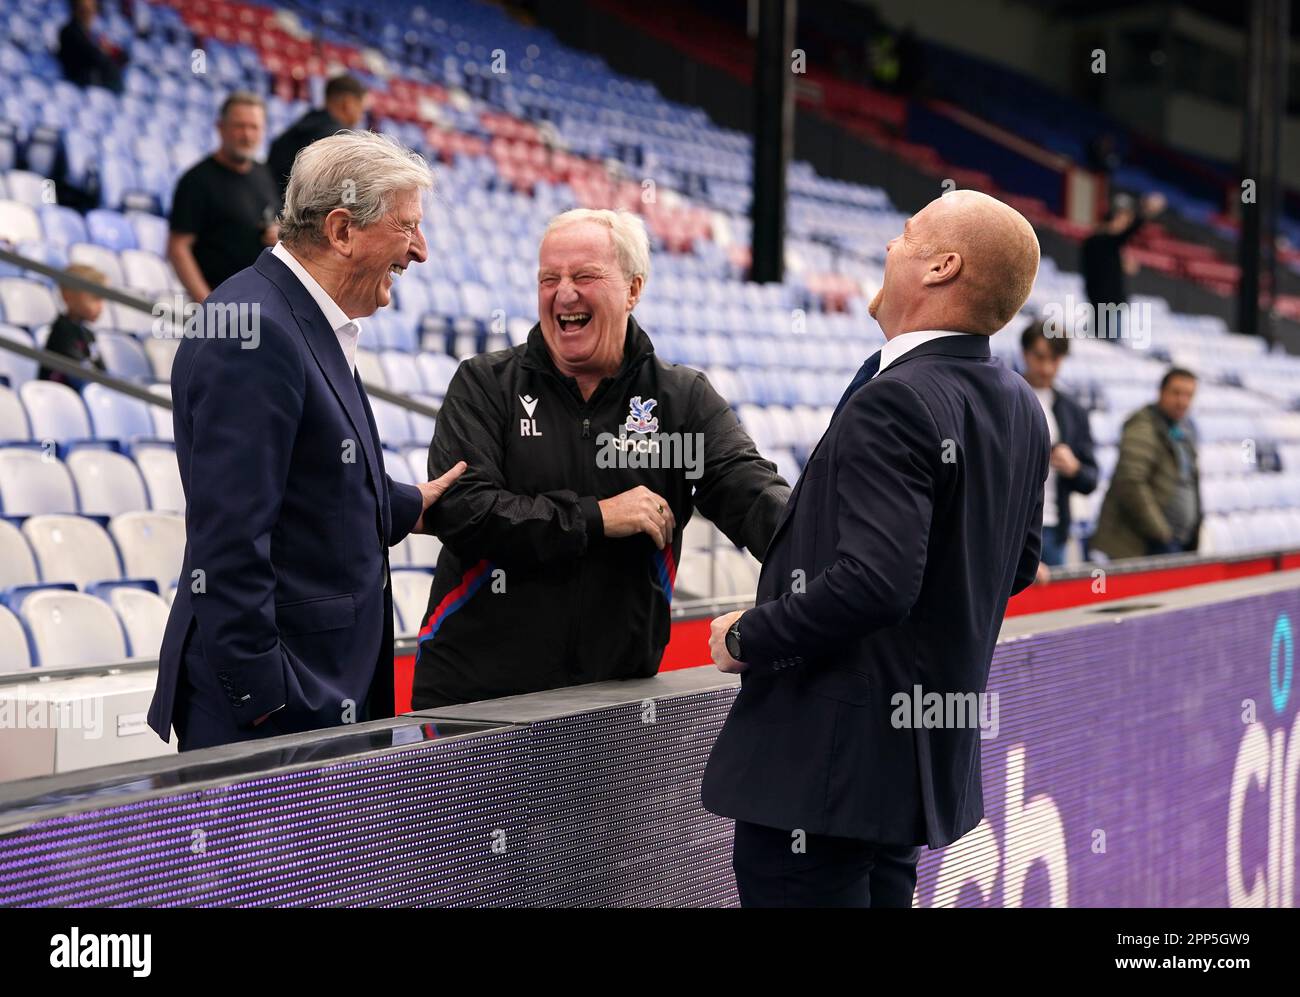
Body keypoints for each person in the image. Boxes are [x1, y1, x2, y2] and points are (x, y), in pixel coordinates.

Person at [700, 190, 1049, 908]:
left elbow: (876, 582)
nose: (890, 246)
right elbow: (1013, 567)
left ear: (943, 267)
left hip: (826, 774)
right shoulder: (1020, 403)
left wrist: (746, 634)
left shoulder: (899, 398)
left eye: (907, 234)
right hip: (904, 776)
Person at [148, 132, 466, 751]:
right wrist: (266, 701)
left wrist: (407, 503)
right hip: (280, 713)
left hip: (313, 694)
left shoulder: (295, 317)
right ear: (342, 230)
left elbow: (311, 481)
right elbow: (231, 544)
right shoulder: (256, 333)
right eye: (407, 227)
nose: (421, 251)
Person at [411, 208, 790, 709]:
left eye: (584, 276)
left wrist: (833, 565)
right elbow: (463, 512)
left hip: (614, 699)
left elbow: (753, 496)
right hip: (475, 698)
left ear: (633, 289)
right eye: (549, 279)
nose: (564, 293)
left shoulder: (680, 400)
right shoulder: (485, 385)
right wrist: (596, 517)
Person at [168, 92, 281, 302]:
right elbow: (178, 248)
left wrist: (277, 234)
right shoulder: (196, 180)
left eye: (254, 127)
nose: (247, 135)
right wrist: (208, 303)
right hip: (219, 303)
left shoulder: (264, 173)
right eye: (239, 126)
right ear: (220, 127)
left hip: (259, 302)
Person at [1091, 368, 1201, 560]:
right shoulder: (1143, 426)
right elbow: (1131, 482)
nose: (1182, 401)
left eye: (1188, 395)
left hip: (1175, 542)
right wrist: (1162, 533)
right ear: (1161, 392)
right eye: (1176, 393)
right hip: (1143, 544)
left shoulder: (1185, 428)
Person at [1020, 318, 1098, 573]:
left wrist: (1074, 468)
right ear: (1025, 353)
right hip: (1008, 524)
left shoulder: (1073, 411)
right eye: (1039, 357)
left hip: (1053, 529)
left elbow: (1090, 479)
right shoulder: (1002, 398)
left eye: (1054, 359)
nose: (1046, 367)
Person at [267, 75, 369, 199]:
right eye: (362, 108)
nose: (361, 116)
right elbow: (347, 194)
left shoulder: (303, 125)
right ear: (348, 104)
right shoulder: (339, 140)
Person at [1080, 191, 1165, 339]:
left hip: (1110, 305)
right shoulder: (1100, 241)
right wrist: (1145, 212)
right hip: (1103, 305)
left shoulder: (1106, 244)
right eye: (1124, 219)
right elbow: (1123, 235)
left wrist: (1120, 264)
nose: (1126, 224)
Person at [38, 263, 108, 387]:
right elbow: (81, 377)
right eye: (94, 298)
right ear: (68, 296)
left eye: (102, 299)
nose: (100, 306)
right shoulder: (62, 332)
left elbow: (102, 373)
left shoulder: (88, 334)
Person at [57, 0, 125, 93]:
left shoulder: (94, 35)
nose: (89, 13)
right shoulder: (69, 31)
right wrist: (103, 51)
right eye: (84, 9)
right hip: (81, 86)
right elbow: (90, 56)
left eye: (92, 9)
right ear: (75, 10)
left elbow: (124, 57)